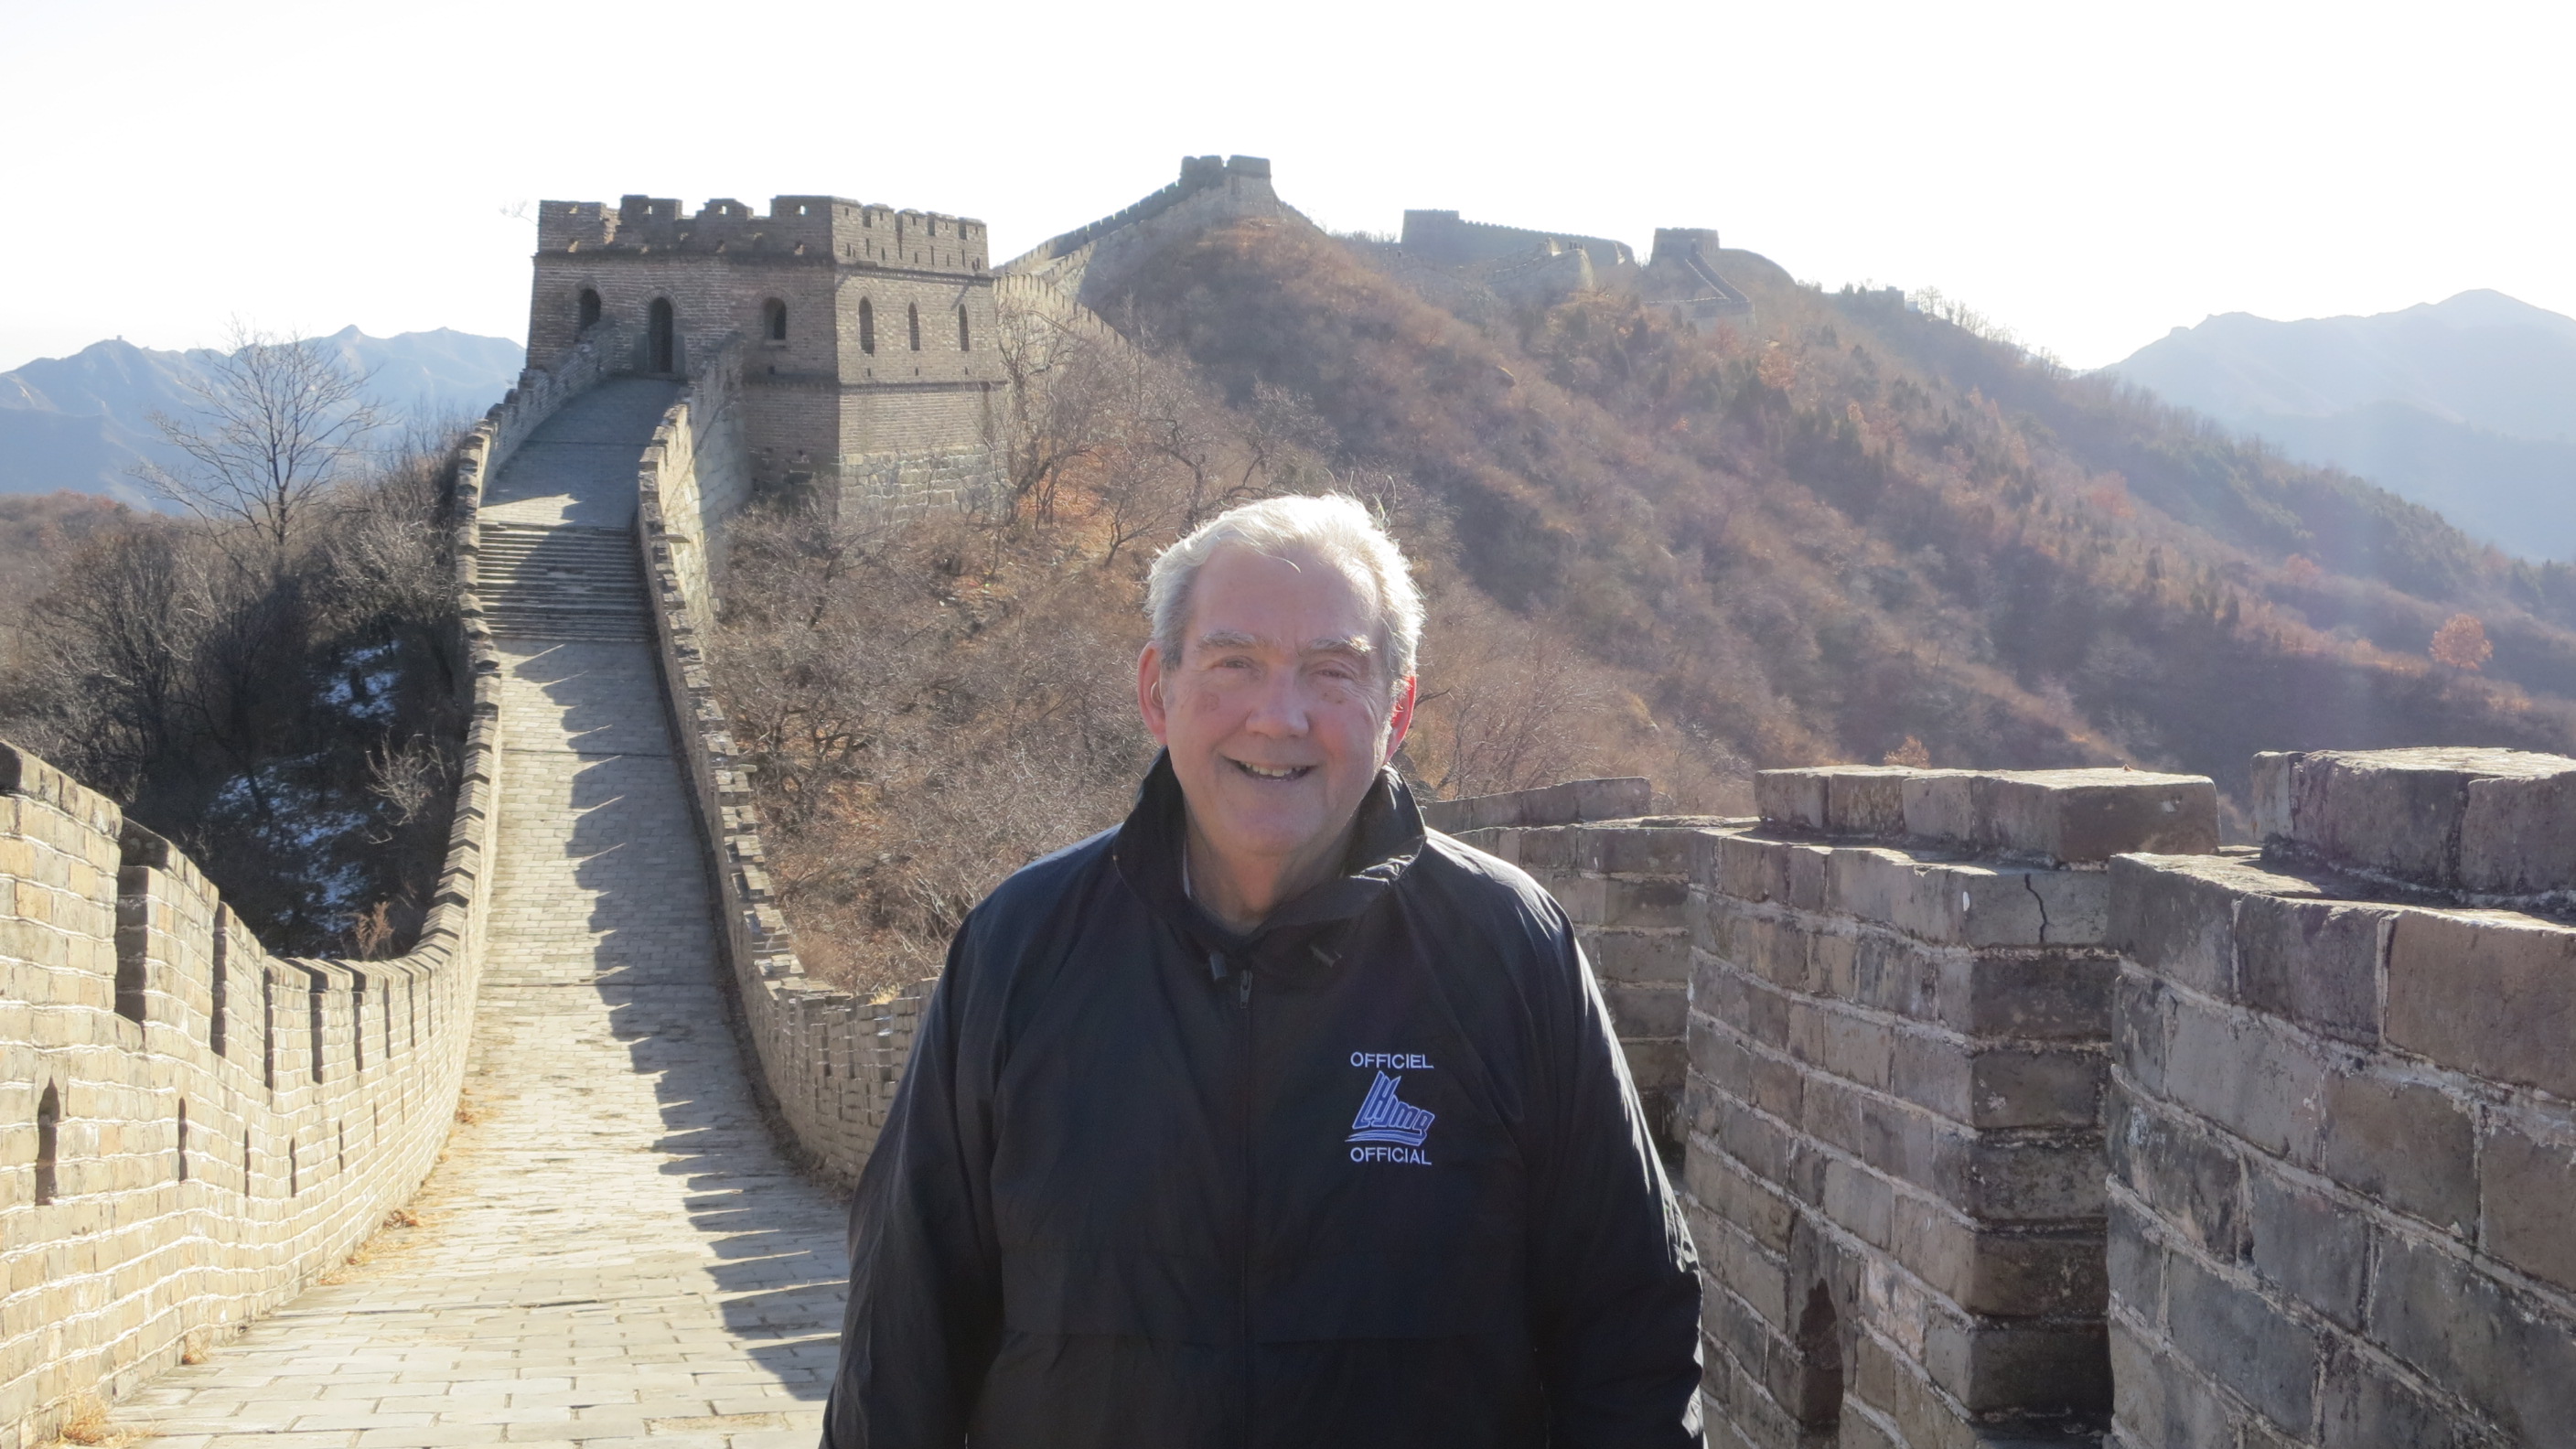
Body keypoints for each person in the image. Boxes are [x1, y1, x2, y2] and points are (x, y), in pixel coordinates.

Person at [821, 494, 1703, 1448]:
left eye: (1331, 672)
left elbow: (1630, 1326)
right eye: (1233, 663)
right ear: (1157, 690)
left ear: (1395, 710)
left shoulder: (1505, 950)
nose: (1278, 717)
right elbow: (899, 1333)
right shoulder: (1023, 946)